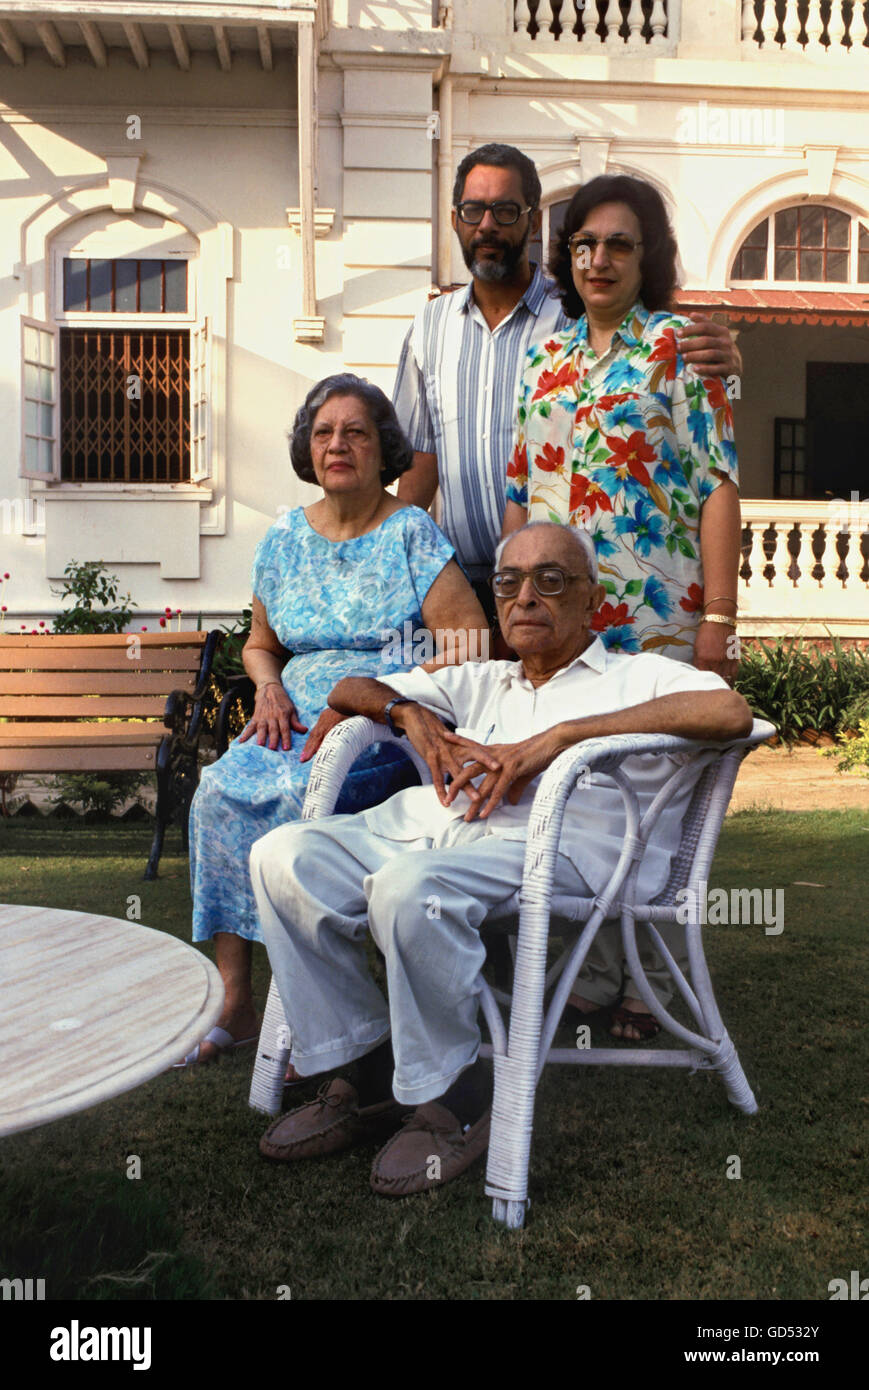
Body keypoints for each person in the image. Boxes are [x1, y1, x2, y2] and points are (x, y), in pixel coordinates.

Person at [249, 522, 752, 1196]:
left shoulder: (632, 674)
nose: (524, 598)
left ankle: (460, 1095)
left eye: (549, 580)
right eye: (508, 583)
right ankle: (367, 1064)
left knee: (408, 889)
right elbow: (347, 687)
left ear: (588, 600)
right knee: (281, 855)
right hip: (431, 832)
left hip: (559, 849)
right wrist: (407, 713)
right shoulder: (478, 680)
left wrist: (563, 736)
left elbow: (728, 710)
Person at [179, 374, 488, 1066]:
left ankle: (320, 1007)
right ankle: (239, 1001)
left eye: (355, 432)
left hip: (372, 728)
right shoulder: (285, 536)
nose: (337, 444)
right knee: (217, 796)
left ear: (384, 450)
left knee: (297, 802)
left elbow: (468, 646)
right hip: (287, 724)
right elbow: (261, 644)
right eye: (323, 432)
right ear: (307, 450)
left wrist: (386, 696)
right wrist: (266, 690)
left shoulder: (410, 532)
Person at [501, 173, 742, 1039]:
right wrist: (516, 596)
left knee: (653, 797)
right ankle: (591, 975)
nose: (598, 259)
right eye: (582, 245)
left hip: (655, 615)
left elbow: (716, 482)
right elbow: (521, 492)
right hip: (564, 621)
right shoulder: (542, 356)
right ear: (565, 258)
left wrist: (719, 617)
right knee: (572, 796)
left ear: (648, 258)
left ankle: (639, 986)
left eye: (618, 245)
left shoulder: (681, 346)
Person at [392, 143, 740, 609]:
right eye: (474, 210)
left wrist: (731, 362)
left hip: (614, 600)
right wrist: (404, 586)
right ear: (456, 218)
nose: (488, 225)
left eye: (506, 210)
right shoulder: (438, 330)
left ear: (535, 222)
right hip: (469, 587)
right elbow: (421, 466)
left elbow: (709, 469)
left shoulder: (579, 311)